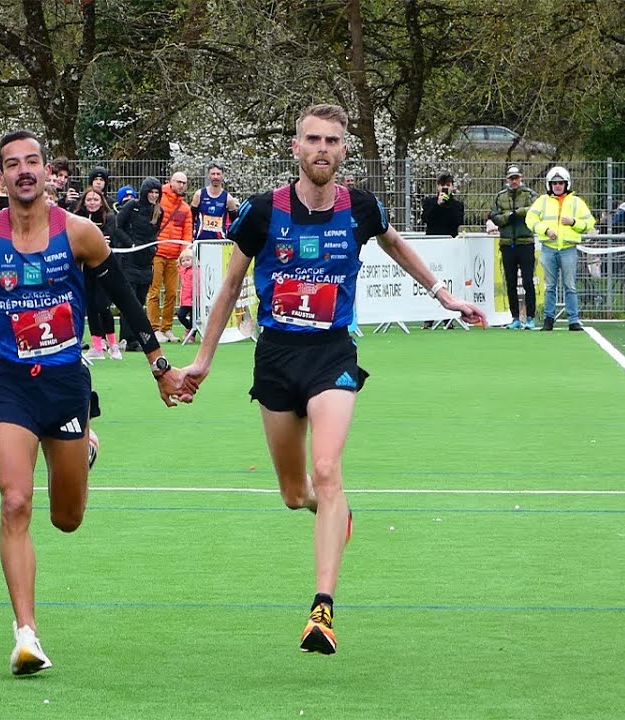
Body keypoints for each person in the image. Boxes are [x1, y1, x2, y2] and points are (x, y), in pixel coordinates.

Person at [184, 104, 485, 656]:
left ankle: (321, 610)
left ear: (344, 151)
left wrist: (445, 297)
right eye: (313, 139)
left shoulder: (361, 207)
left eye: (333, 141)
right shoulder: (261, 211)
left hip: (332, 356)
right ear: (296, 148)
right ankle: (334, 514)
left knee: (327, 470)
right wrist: (203, 360)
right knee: (297, 493)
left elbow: (396, 246)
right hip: (275, 357)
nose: (323, 148)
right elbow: (228, 289)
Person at [0, 130, 191, 676]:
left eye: (33, 161)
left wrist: (159, 366)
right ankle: (25, 633)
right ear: (1, 176)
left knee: (67, 519)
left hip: (67, 383)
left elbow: (124, 296)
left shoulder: (81, 234)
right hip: (13, 385)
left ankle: (85, 447)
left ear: (48, 172)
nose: (24, 171)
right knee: (14, 502)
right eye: (13, 164)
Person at [526, 165, 595, 331]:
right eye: (555, 183)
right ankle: (548, 319)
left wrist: (573, 222)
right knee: (550, 286)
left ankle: (573, 320)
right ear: (549, 185)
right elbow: (530, 219)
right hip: (548, 248)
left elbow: (589, 223)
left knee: (570, 285)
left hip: (568, 248)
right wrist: (545, 230)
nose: (558, 186)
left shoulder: (576, 202)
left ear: (567, 184)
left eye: (561, 183)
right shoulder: (542, 201)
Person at [111, 177, 162, 351]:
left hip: (146, 262)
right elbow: (118, 226)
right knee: (129, 300)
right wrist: (130, 244)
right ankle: (127, 338)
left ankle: (136, 338)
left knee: (140, 300)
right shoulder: (132, 206)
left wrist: (153, 247)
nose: (154, 196)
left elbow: (154, 233)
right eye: (151, 192)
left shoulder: (158, 211)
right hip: (129, 260)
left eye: (157, 192)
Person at [75, 188, 121, 360]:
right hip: (85, 267)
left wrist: (97, 240)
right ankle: (97, 346)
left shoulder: (109, 217)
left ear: (101, 201)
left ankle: (113, 345)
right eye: (89, 199)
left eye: (95, 199)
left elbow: (108, 240)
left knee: (103, 306)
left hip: (104, 266)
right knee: (91, 307)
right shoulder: (78, 218)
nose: (92, 202)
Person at [489, 166, 538, 329]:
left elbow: (535, 210)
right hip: (507, 243)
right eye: (511, 178)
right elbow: (494, 216)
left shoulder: (529, 194)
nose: (514, 181)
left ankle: (530, 317)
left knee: (528, 281)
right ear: (507, 180)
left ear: (521, 178)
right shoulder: (500, 196)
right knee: (510, 282)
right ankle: (515, 317)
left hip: (526, 243)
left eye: (516, 178)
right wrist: (508, 217)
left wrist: (518, 213)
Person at [149, 171, 193, 341]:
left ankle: (166, 327)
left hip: (175, 256)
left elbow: (187, 231)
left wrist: (184, 252)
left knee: (172, 293)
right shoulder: (159, 199)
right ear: (171, 182)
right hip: (157, 253)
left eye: (184, 182)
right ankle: (154, 327)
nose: (181, 185)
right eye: (178, 182)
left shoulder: (185, 208)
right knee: (153, 291)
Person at [189, 161, 239, 241]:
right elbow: (190, 218)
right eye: (213, 174)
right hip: (200, 241)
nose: (215, 177)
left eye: (218, 174)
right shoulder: (199, 195)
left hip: (220, 242)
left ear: (223, 176)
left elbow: (236, 222)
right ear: (209, 175)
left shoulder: (228, 198)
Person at [420, 172, 464, 237]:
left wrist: (448, 204)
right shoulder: (428, 202)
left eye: (448, 185)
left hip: (450, 240)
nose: (445, 187)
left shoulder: (458, 205)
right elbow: (425, 219)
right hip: (432, 239)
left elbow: (458, 221)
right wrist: (437, 205)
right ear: (438, 187)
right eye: (442, 185)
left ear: (452, 187)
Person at [175, 248, 197, 339]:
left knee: (193, 318)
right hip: (185, 299)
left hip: (194, 299)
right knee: (181, 315)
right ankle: (189, 328)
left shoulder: (196, 271)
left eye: (188, 260)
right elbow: (178, 268)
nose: (185, 262)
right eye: (183, 261)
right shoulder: (183, 271)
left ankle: (192, 335)